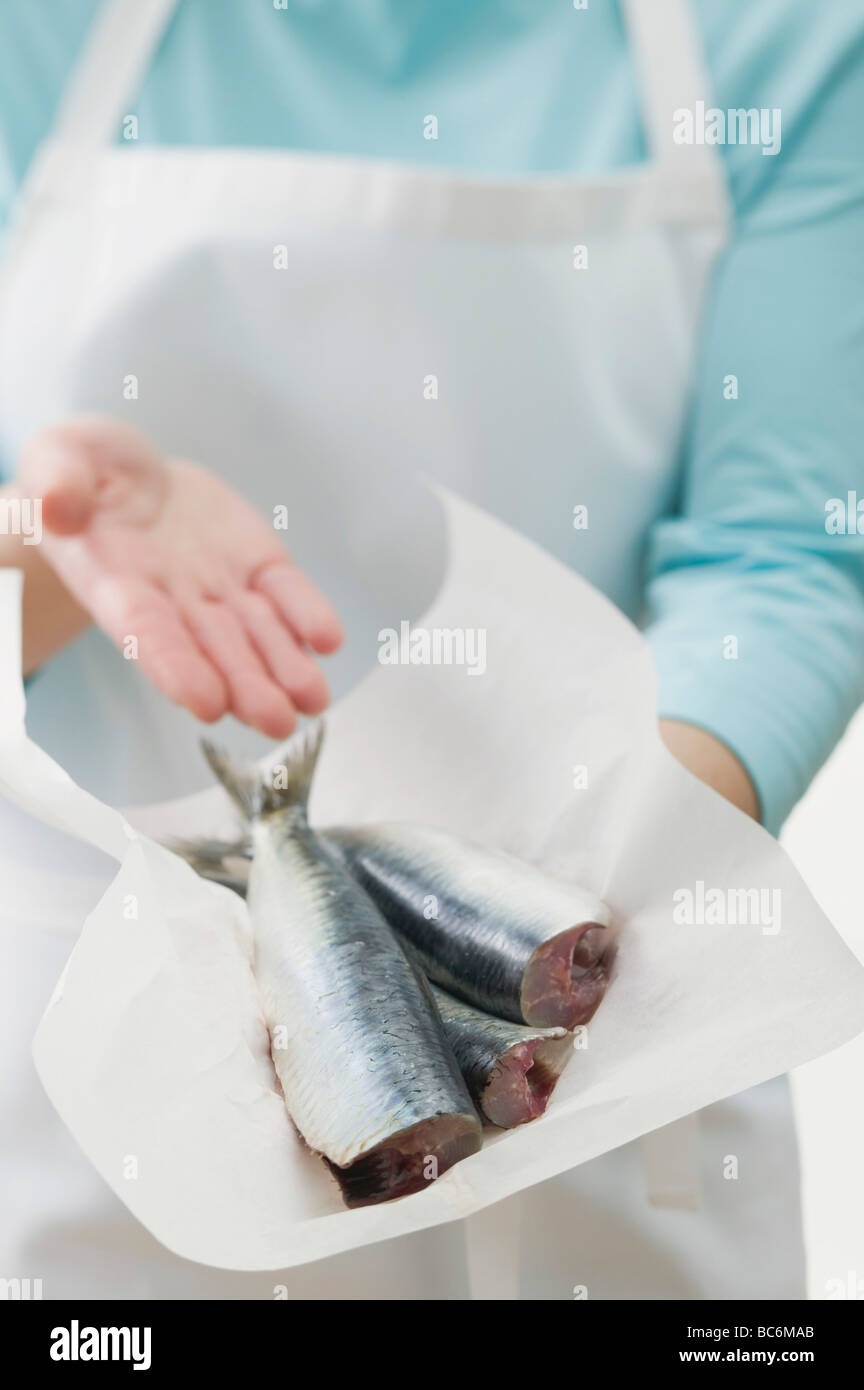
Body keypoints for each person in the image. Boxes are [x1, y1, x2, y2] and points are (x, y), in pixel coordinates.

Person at [1, 0, 862, 1300]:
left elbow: (786, 554)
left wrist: (577, 893)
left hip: (612, 1091)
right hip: (103, 1102)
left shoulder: (789, 37)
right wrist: (43, 550)